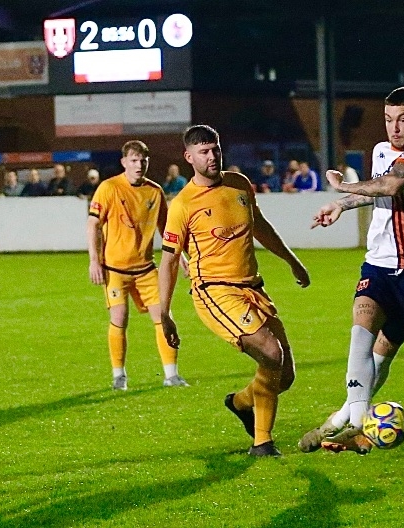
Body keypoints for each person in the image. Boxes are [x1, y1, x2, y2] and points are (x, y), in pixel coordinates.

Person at [304, 86, 404, 455]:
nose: (394, 128)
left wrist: (342, 185)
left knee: (380, 357)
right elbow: (378, 193)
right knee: (360, 333)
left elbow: (392, 183)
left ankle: (339, 420)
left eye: (403, 119)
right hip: (379, 263)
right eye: (388, 119)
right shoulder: (381, 150)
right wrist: (342, 203)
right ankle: (357, 425)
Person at [158, 125, 310, 457]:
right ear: (189, 158)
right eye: (203, 152)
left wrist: (292, 261)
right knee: (270, 353)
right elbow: (169, 261)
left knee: (284, 376)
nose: (211, 157)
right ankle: (262, 443)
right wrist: (165, 313)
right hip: (214, 291)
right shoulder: (182, 205)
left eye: (215, 149)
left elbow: (260, 226)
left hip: (253, 288)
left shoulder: (239, 184)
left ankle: (241, 403)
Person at [88, 140, 189, 390]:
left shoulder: (154, 192)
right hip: (115, 270)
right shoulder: (109, 188)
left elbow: (167, 230)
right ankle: (119, 376)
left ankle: (171, 375)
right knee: (119, 318)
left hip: (146, 269)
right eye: (133, 160)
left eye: (143, 160)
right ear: (124, 163)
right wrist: (94, 260)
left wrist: (182, 257)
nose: (139, 165)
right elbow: (93, 224)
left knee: (164, 316)